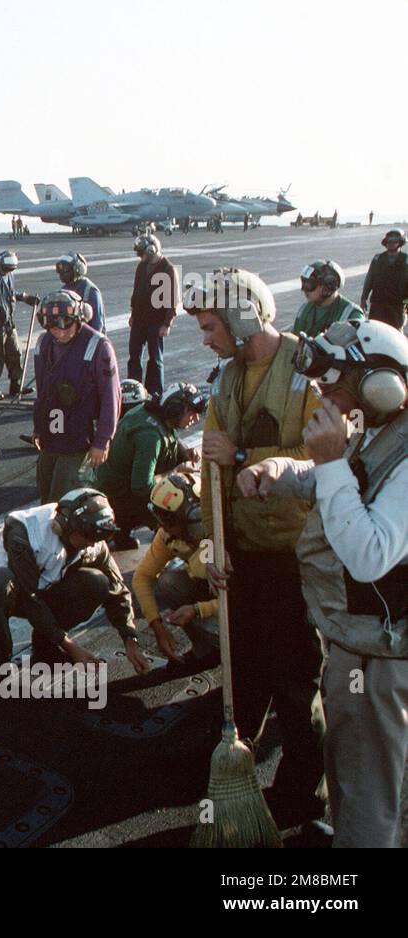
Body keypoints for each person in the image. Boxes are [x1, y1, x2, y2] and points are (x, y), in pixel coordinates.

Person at [237, 319, 408, 847]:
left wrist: (331, 461)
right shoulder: (380, 431)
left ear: (382, 385)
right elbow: (337, 479)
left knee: (367, 790)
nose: (323, 396)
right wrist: (283, 471)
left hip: (379, 659)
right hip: (356, 644)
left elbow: (369, 556)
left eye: (334, 384)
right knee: (362, 773)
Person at [184, 267, 328, 828]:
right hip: (243, 553)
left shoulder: (308, 372)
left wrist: (245, 459)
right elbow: (209, 476)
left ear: (243, 318)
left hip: (296, 554)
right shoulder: (224, 381)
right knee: (242, 673)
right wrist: (213, 545)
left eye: (212, 325)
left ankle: (304, 792)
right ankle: (235, 770)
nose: (206, 338)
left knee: (298, 680)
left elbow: (331, 459)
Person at [0, 488, 151, 680]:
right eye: (89, 539)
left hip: (43, 588)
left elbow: (117, 588)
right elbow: (30, 598)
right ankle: (0, 656)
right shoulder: (24, 534)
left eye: (97, 539)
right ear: (66, 527)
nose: (92, 545)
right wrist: (70, 645)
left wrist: (130, 638)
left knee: (98, 582)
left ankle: (45, 648)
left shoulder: (91, 538)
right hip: (11, 593)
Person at [30, 290, 119, 505]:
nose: (60, 332)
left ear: (79, 318)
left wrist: (103, 440)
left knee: (64, 497)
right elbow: (44, 392)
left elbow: (111, 396)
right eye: (53, 327)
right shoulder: (43, 344)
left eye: (66, 325)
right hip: (52, 434)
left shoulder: (98, 347)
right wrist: (39, 428)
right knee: (45, 489)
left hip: (80, 438)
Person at [93, 382, 206, 550]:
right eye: (191, 413)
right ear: (175, 411)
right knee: (179, 494)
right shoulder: (150, 437)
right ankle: (161, 536)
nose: (196, 419)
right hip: (119, 495)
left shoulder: (151, 413)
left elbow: (168, 436)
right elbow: (141, 486)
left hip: (112, 485)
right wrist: (175, 472)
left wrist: (184, 453)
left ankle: (123, 530)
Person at [132, 471, 220, 666]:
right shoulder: (169, 535)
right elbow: (142, 577)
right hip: (214, 593)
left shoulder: (224, 537)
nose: (161, 527)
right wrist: (158, 627)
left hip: (242, 606)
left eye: (167, 521)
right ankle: (206, 651)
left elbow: (244, 597)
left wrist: (198, 610)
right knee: (169, 582)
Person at [0, 250, 37, 400]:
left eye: (10, 269)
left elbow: (10, 293)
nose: (7, 272)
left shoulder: (9, 275)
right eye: (6, 269)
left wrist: (24, 297)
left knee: (15, 353)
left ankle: (15, 385)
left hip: (9, 323)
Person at [129, 234, 179, 396]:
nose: (140, 256)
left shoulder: (167, 269)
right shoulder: (141, 266)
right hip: (139, 321)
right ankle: (133, 391)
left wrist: (167, 323)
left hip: (156, 322)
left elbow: (173, 300)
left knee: (155, 360)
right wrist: (133, 314)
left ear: (151, 250)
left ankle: (155, 393)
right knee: (134, 357)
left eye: (141, 253)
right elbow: (136, 292)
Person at [293, 260, 364, 338]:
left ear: (328, 286)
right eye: (304, 283)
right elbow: (295, 339)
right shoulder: (305, 310)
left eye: (309, 285)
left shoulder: (351, 315)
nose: (304, 289)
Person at [359, 229, 408, 331]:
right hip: (378, 305)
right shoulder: (378, 259)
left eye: (395, 241)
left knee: (396, 334)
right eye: (389, 241)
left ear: (400, 243)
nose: (391, 244)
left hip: (397, 307)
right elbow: (369, 279)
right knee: (375, 332)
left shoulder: (406, 260)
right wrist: (363, 298)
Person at [55, 251, 107, 334]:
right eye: (60, 271)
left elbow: (97, 325)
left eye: (65, 270)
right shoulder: (64, 290)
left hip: (87, 338)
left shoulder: (90, 291)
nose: (61, 274)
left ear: (78, 269)